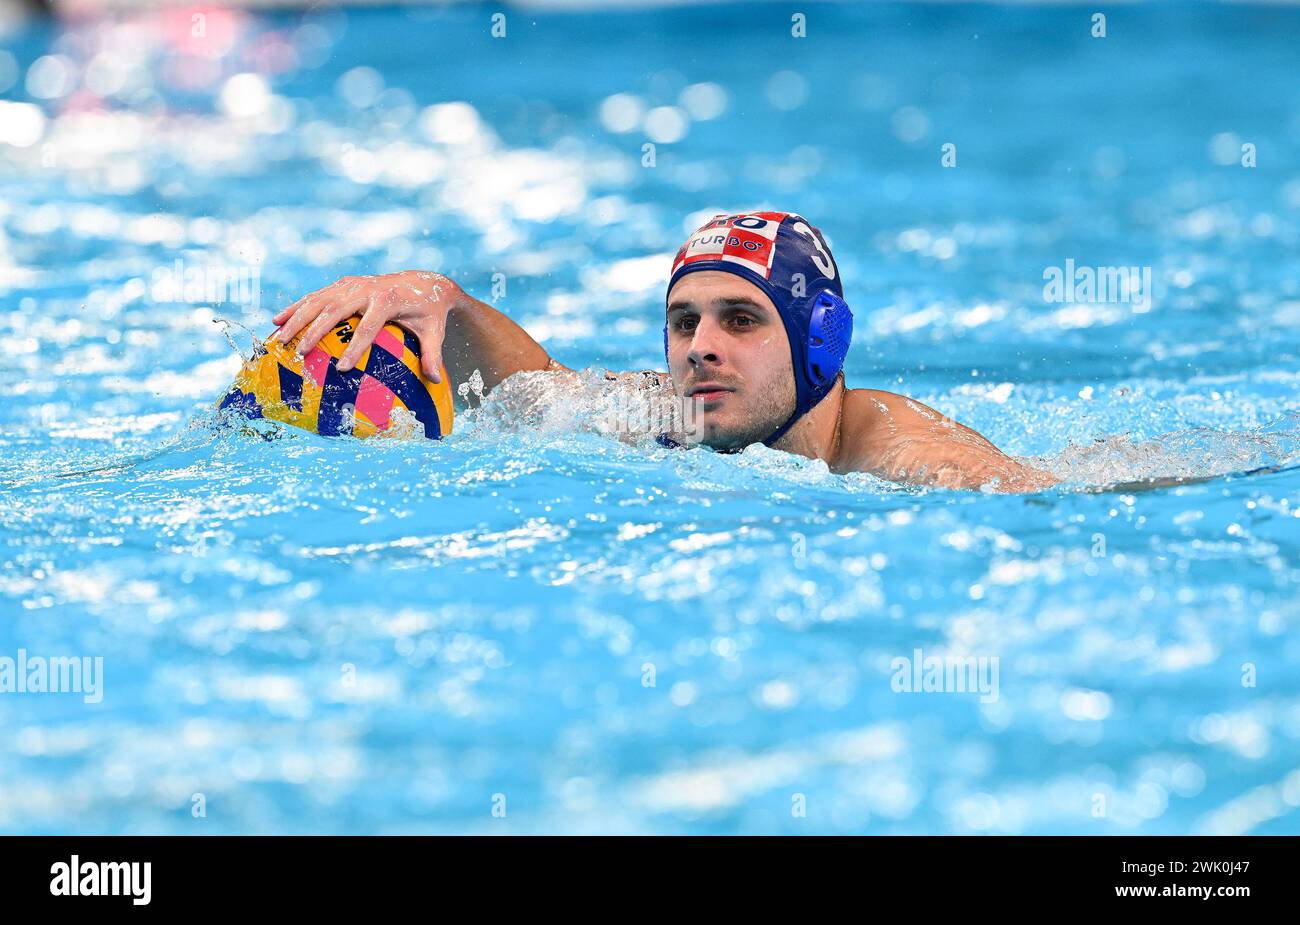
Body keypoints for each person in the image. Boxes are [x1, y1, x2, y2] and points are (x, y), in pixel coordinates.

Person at [271, 211, 1058, 492]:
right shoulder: (674, 410)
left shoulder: (915, 465)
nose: (701, 350)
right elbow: (533, 388)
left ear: (823, 341)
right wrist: (445, 298)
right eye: (684, 322)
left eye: (741, 320)